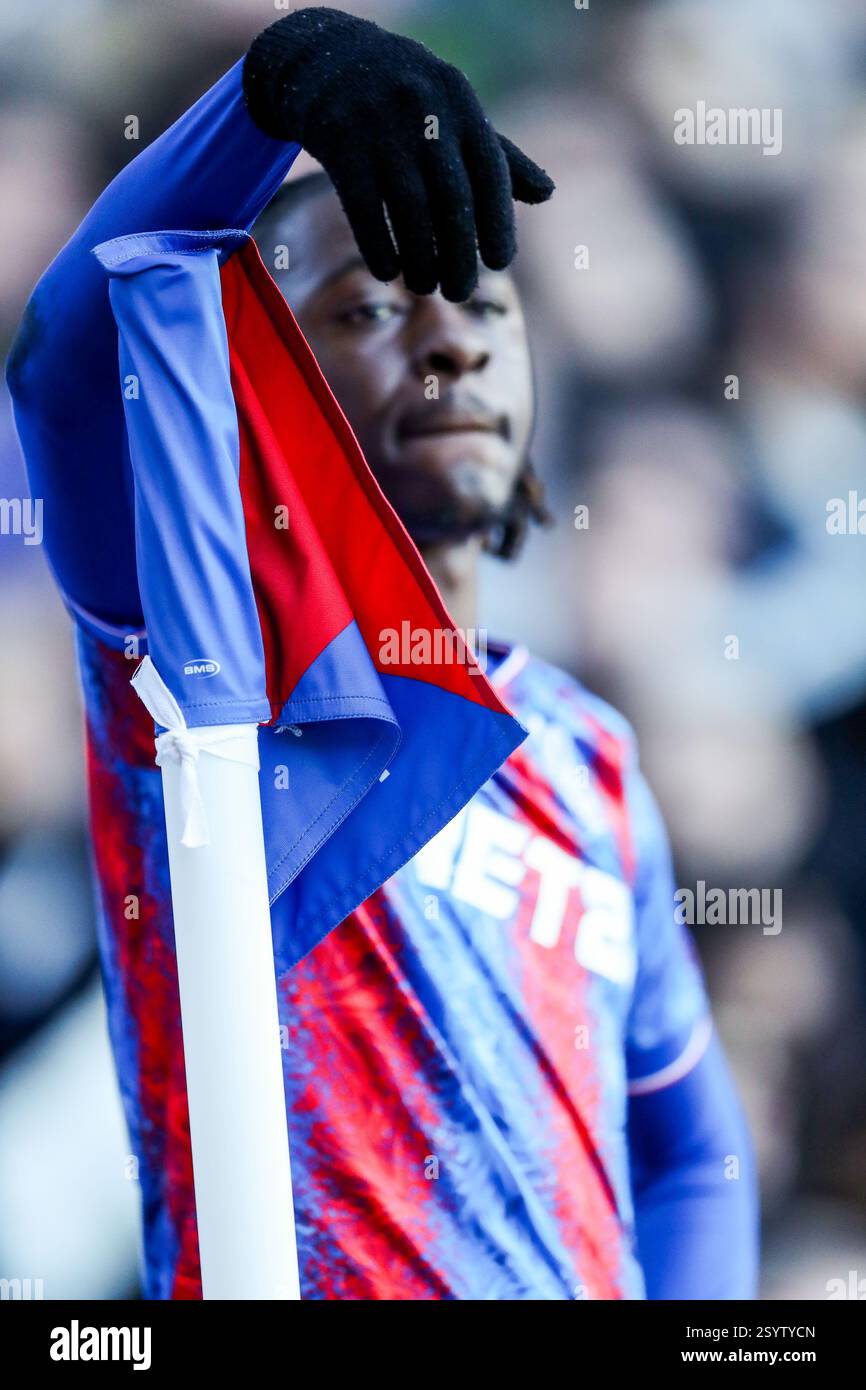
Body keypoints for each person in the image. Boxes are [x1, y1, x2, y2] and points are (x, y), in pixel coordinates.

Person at [8, 8, 757, 1299]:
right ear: (254, 387)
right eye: (367, 303)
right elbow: (73, 358)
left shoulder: (591, 749)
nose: (451, 337)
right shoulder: (200, 646)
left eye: (482, 300)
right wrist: (267, 91)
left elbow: (692, 1151)